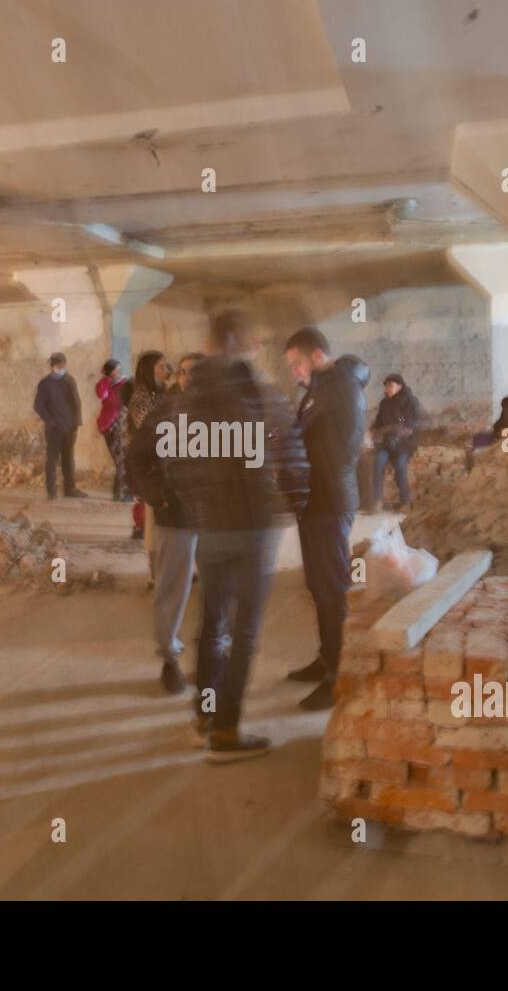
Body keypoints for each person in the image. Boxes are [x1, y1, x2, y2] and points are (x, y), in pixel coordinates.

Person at [168, 308, 309, 761]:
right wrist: (297, 505)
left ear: (210, 342)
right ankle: (226, 733)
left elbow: (175, 465)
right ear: (245, 343)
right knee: (243, 633)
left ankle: (204, 717)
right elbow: (293, 460)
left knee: (212, 627)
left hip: (212, 531)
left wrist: (199, 511)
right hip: (253, 530)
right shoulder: (263, 396)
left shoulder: (185, 401)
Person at [282, 326, 367, 711]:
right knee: (318, 585)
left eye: (297, 363)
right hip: (314, 499)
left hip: (330, 499)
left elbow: (308, 434)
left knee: (332, 587)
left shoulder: (340, 387)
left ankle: (339, 674)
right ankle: (326, 656)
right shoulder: (322, 388)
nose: (295, 372)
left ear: (318, 355)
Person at [128, 360, 202, 694]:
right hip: (178, 517)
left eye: (197, 371)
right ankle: (169, 658)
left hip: (219, 520)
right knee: (173, 589)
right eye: (183, 371)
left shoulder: (225, 413)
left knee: (220, 592)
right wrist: (159, 497)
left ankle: (211, 655)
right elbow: (137, 461)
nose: (189, 377)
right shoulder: (163, 414)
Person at [122, 351, 169, 553]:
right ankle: (155, 572)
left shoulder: (161, 393)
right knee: (151, 513)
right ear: (148, 371)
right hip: (147, 462)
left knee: (159, 517)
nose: (166, 370)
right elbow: (150, 430)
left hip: (161, 457)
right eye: (161, 366)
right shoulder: (141, 397)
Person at [33, 352, 86, 500]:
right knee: (52, 459)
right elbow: (38, 406)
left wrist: (76, 422)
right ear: (52, 366)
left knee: (68, 459)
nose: (61, 367)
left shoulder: (69, 380)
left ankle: (70, 489)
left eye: (63, 365)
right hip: (54, 428)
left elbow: (77, 403)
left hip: (70, 428)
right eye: (58, 365)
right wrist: (50, 421)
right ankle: (51, 491)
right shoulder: (44, 384)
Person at [370, 373, 422, 511]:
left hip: (404, 444)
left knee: (400, 465)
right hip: (386, 443)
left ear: (400, 386)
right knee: (378, 463)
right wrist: (375, 431)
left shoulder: (410, 402)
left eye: (391, 385)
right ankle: (377, 501)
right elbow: (378, 422)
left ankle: (405, 501)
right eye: (386, 386)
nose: (388, 388)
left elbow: (410, 427)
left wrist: (389, 430)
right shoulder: (384, 403)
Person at [95, 360, 130, 502]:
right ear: (109, 372)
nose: (118, 372)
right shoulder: (103, 384)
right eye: (115, 369)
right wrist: (105, 380)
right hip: (109, 425)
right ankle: (119, 493)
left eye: (119, 369)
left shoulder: (126, 383)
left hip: (123, 424)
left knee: (123, 460)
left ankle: (120, 493)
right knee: (120, 460)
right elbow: (102, 395)